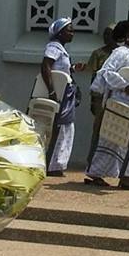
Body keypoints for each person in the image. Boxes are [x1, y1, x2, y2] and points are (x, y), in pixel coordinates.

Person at [87, 19, 129, 191]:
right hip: (120, 104)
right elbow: (105, 72)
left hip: (128, 105)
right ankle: (127, 179)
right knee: (126, 139)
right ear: (127, 36)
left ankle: (96, 173)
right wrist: (124, 85)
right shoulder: (121, 52)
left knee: (113, 139)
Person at [41, 17, 85, 177]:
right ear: (59, 33)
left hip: (66, 92)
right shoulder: (54, 47)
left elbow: (60, 69)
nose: (72, 33)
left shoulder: (61, 49)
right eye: (69, 30)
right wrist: (52, 91)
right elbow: (46, 66)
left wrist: (73, 68)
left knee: (66, 127)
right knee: (62, 126)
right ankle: (53, 164)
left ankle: (56, 164)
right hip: (60, 94)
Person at [85, 23, 117, 156]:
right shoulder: (98, 54)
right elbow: (94, 77)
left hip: (116, 97)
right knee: (98, 129)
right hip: (100, 98)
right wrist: (93, 100)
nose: (106, 38)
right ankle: (93, 160)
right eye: (105, 35)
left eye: (109, 35)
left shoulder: (121, 55)